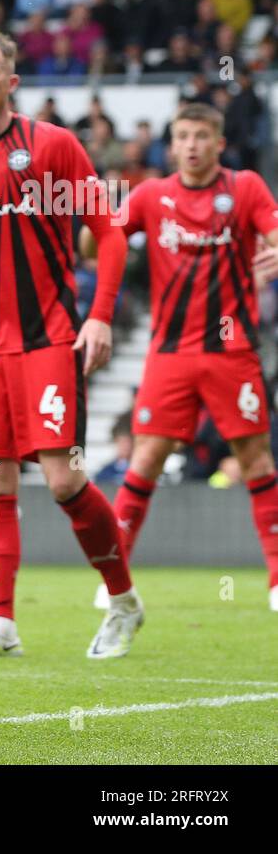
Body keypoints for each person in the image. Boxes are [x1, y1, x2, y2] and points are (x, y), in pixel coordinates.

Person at [0, 30, 141, 659]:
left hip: (49, 340)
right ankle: (1, 626)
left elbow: (111, 229)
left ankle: (123, 600)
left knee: (65, 479)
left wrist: (100, 317)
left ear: (12, 82)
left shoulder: (54, 147)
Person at [106, 102, 278, 611]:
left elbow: (273, 232)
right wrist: (97, 240)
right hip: (170, 353)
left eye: (202, 135)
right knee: (146, 460)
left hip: (233, 351)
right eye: (183, 135)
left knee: (256, 459)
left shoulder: (245, 188)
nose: (192, 144)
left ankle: (275, 580)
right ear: (172, 144)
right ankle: (115, 580)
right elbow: (105, 238)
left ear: (219, 143)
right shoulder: (153, 195)